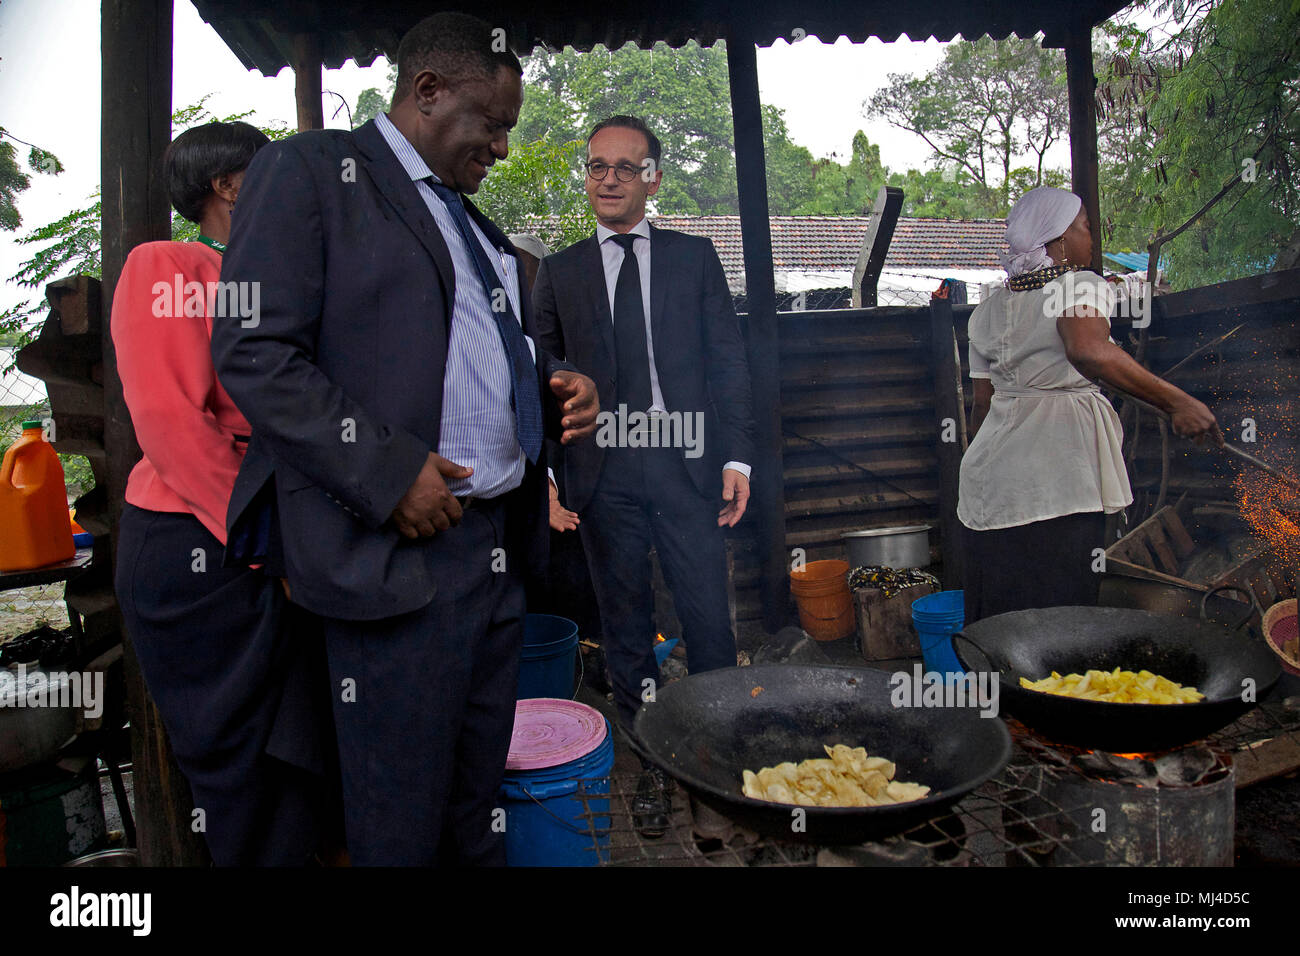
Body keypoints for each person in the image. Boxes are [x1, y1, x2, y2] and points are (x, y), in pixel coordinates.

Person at [210, 12, 599, 866]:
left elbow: (464, 359)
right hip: (400, 554)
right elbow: (251, 348)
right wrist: (388, 474)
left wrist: (554, 381)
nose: (501, 147)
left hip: (494, 552)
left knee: (474, 802)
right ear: (428, 90)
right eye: (492, 123)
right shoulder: (310, 172)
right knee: (399, 822)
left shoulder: (467, 222)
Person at [531, 115, 755, 836]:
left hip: (684, 460)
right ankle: (656, 767)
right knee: (625, 631)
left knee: (708, 625)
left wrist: (736, 456)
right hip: (604, 472)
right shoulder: (560, 271)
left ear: (652, 178)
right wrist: (549, 471)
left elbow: (727, 359)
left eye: (626, 168)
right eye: (597, 167)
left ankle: (719, 773)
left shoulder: (694, 259)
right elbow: (539, 367)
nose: (609, 179)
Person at [112, 120, 327, 865]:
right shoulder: (168, 266)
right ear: (230, 185)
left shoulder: (276, 274)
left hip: (274, 543)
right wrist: (269, 542)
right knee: (242, 773)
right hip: (200, 547)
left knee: (293, 756)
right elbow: (171, 423)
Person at [959, 186, 1222, 624]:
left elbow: (982, 406)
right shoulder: (1080, 284)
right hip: (1058, 480)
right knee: (1061, 619)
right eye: (1085, 228)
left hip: (990, 487)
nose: (1092, 240)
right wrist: (1179, 402)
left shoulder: (986, 310)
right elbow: (1088, 350)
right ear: (1059, 239)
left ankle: (998, 692)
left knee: (1000, 623)